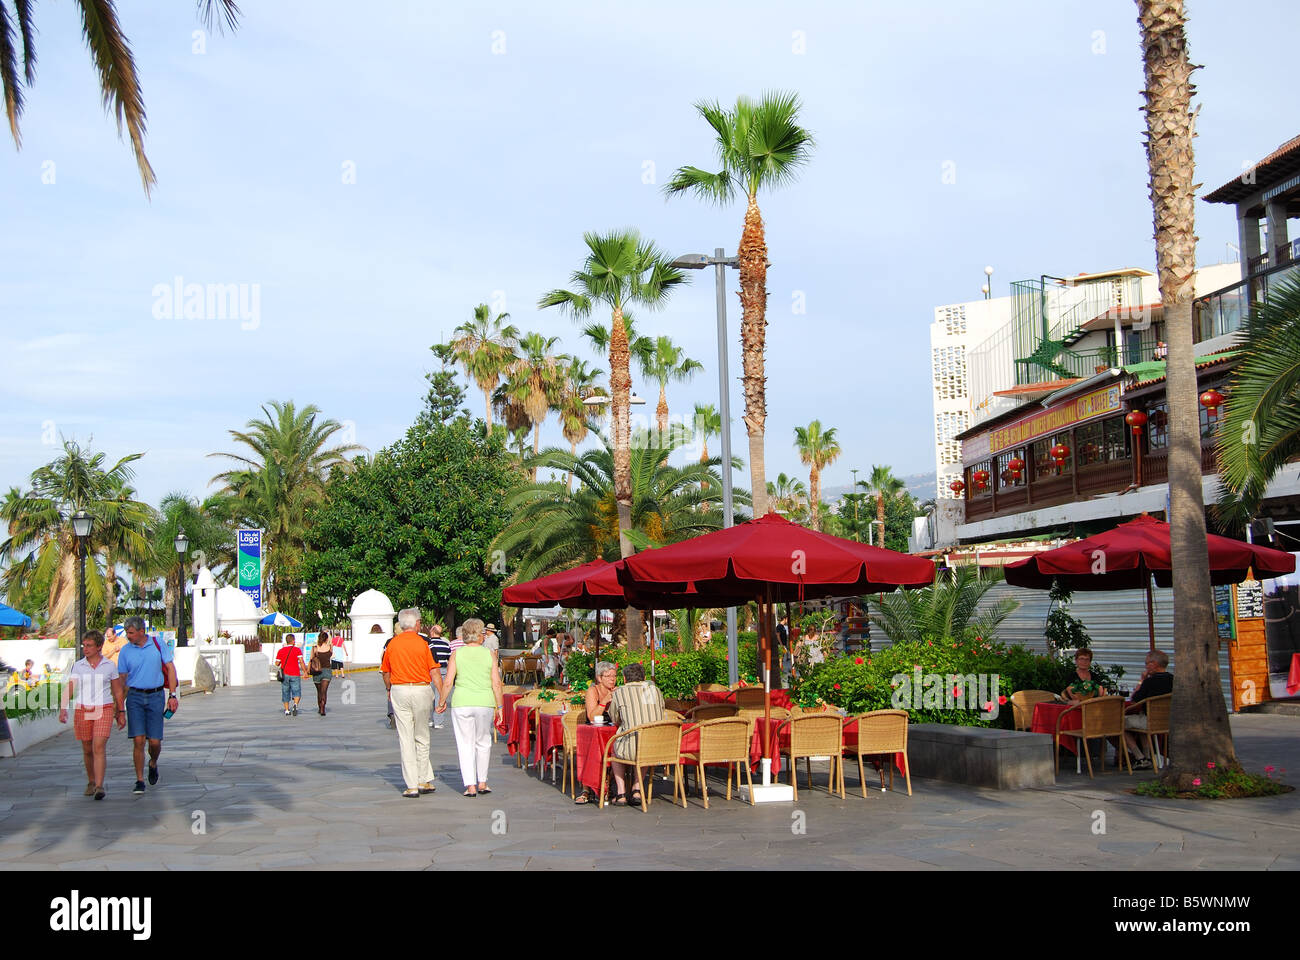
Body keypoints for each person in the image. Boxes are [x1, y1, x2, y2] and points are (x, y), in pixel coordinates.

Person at [437, 617, 503, 798]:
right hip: (484, 702)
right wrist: (500, 707)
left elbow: (448, 681)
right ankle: (483, 781)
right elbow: (496, 683)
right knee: (483, 742)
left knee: (465, 744)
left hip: (462, 702)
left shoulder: (457, 654)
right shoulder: (489, 654)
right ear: (480, 635)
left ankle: (471, 786)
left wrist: (441, 702)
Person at [116, 616, 179, 796]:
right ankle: (139, 779)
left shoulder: (157, 644)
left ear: (141, 631)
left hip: (156, 696)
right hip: (135, 697)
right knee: (138, 740)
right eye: (127, 633)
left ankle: (153, 762)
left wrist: (172, 695)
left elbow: (170, 668)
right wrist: (119, 706)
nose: (128, 636)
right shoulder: (125, 651)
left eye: (131, 633)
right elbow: (122, 679)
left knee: (155, 741)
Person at [58, 630, 125, 801]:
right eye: (84, 645)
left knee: (98, 746)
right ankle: (91, 780)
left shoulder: (109, 666)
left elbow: (117, 690)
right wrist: (63, 707)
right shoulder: (79, 665)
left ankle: (99, 786)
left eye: (89, 646)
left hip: (104, 708)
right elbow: (71, 686)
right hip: (83, 709)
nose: (85, 649)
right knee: (87, 749)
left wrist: (121, 711)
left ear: (99, 647)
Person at [381, 608, 440, 798]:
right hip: (421, 688)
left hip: (400, 689)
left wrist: (389, 689)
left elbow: (385, 671)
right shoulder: (424, 643)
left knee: (405, 737)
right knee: (422, 735)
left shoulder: (392, 644)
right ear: (416, 624)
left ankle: (412, 785)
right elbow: (434, 671)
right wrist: (442, 695)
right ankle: (423, 778)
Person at [607, 661, 666, 807]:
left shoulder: (620, 692)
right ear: (644, 677)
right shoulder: (655, 691)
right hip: (655, 747)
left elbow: (615, 718)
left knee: (615, 751)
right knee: (642, 744)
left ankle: (621, 793)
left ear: (625, 679)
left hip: (632, 747)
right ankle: (637, 788)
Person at [1124, 649, 1173, 769]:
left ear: (1154, 664)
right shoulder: (1173, 679)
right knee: (1139, 722)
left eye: (1147, 663)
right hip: (1167, 721)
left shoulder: (1149, 681)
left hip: (1150, 721)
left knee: (1118, 723)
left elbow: (1134, 699)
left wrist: (1142, 680)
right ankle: (1147, 757)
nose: (1145, 666)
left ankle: (1140, 757)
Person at [276, 635, 308, 717]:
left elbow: (277, 663)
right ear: (293, 641)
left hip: (285, 674)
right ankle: (295, 705)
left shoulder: (281, 650)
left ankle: (287, 710)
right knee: (296, 691)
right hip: (295, 674)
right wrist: (305, 672)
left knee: (285, 691)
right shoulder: (297, 650)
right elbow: (301, 661)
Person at [427, 624, 451, 729]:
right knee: (440, 696)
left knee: (428, 697)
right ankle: (438, 721)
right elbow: (449, 660)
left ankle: (429, 720)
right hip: (442, 671)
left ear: (432, 632)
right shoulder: (445, 645)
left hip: (429, 671)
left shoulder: (427, 644)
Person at [309, 632, 335, 716]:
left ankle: (320, 707)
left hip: (316, 672)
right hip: (327, 671)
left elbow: (310, 660)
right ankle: (323, 707)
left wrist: (306, 671)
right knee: (324, 691)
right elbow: (331, 656)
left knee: (319, 691)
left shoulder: (315, 648)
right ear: (327, 639)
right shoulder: (330, 647)